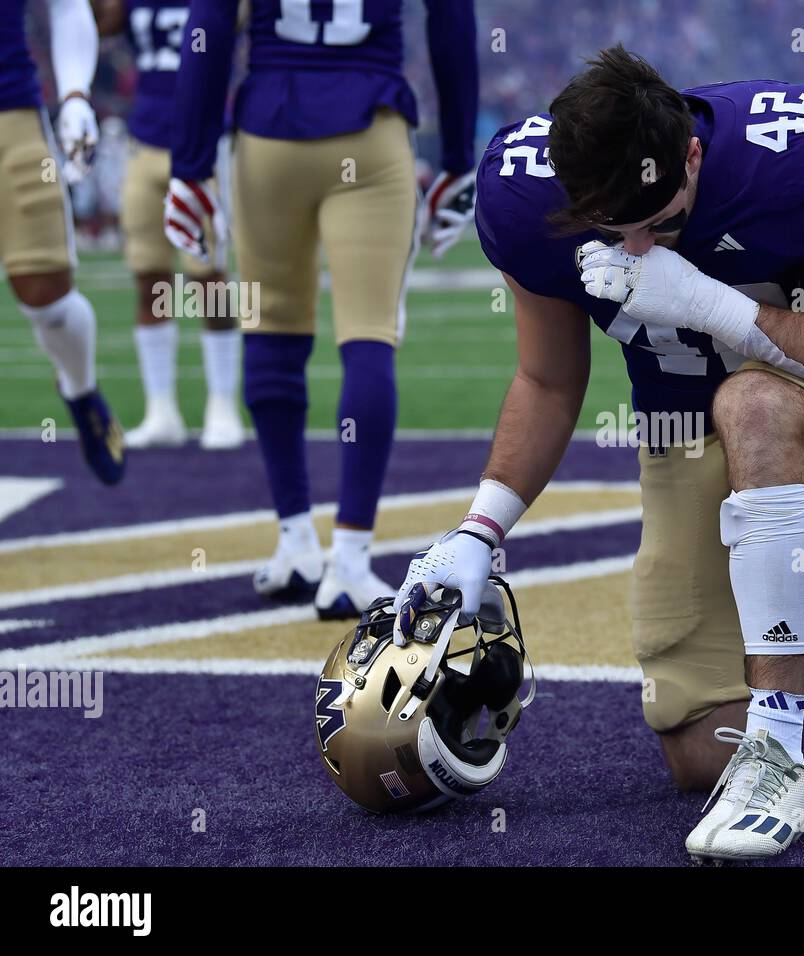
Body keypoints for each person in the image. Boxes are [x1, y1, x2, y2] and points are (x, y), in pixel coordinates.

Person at [393, 47, 804, 862]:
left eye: (659, 223)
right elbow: (547, 381)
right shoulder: (527, 196)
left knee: (751, 401)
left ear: (693, 156)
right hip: (682, 439)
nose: (636, 248)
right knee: (699, 752)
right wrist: (480, 528)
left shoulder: (791, 157)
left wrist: (708, 304)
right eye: (610, 230)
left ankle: (778, 755)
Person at [166, 0, 480, 618]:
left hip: (268, 135)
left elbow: (210, 25)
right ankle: (350, 561)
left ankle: (295, 540)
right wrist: (456, 157)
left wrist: (190, 164)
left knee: (270, 329)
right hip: (370, 127)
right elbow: (452, 21)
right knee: (368, 336)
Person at [94, 0, 243, 451]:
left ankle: (223, 403)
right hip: (144, 141)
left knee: (209, 279)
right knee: (149, 277)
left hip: (204, 144)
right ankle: (161, 409)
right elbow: (98, 23)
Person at [0, 0, 125, 485]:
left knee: (47, 294)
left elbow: (68, 6)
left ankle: (80, 388)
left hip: (10, 111)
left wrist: (75, 95)